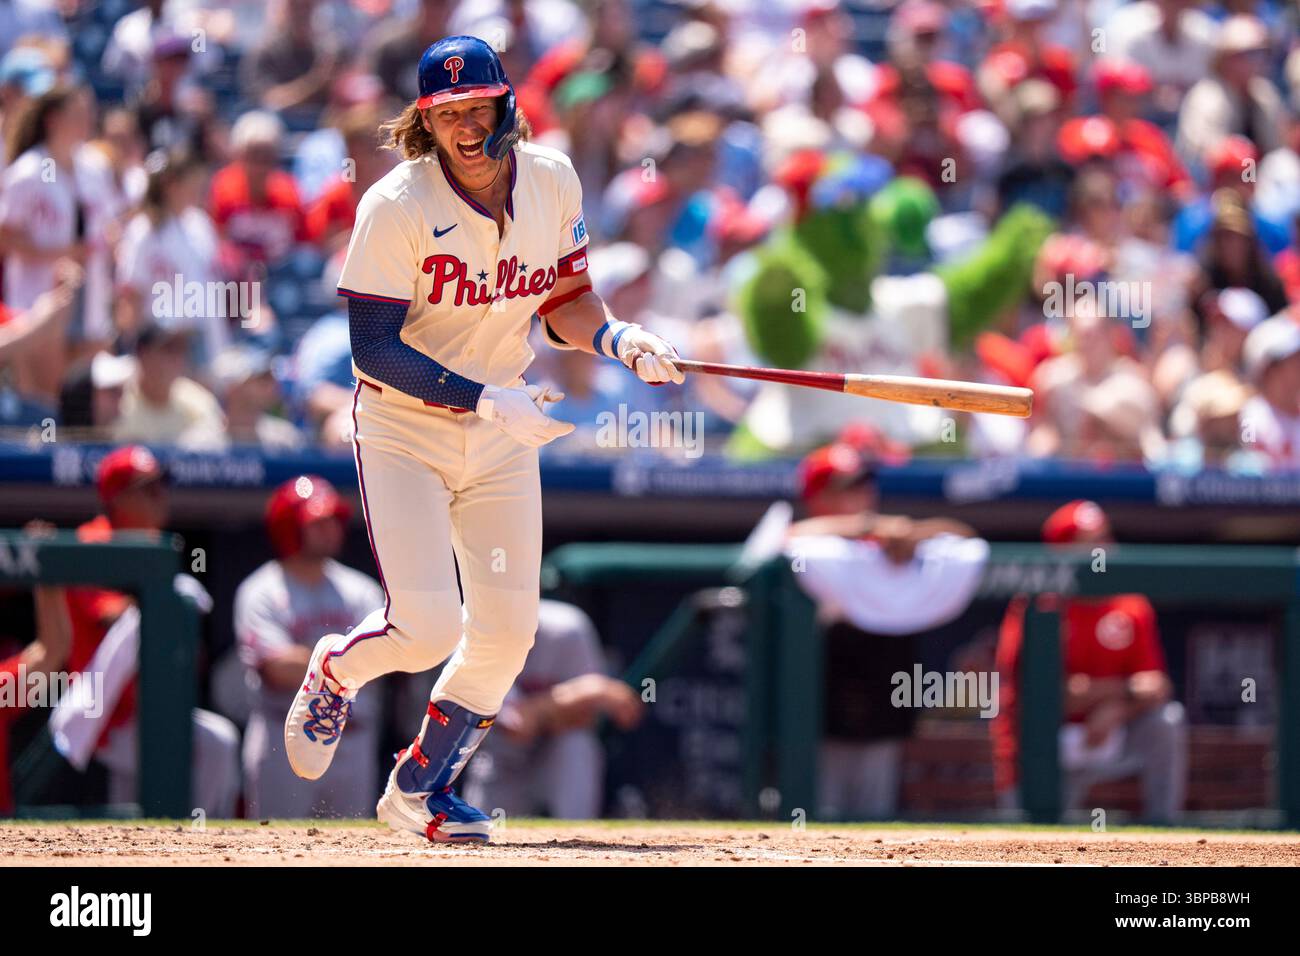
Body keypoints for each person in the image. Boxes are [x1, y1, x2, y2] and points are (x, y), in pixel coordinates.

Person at [282, 35, 683, 844]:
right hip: (406, 427)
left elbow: (567, 297)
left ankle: (419, 789)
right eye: (446, 114)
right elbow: (374, 348)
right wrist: (480, 398)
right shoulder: (395, 204)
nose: (466, 128)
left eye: (477, 109)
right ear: (425, 123)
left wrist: (619, 340)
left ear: (506, 105)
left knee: (507, 631)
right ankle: (335, 669)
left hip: (503, 428)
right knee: (426, 627)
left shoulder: (552, 178)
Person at [62, 446, 240, 816]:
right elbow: (113, 618)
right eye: (149, 488)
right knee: (130, 807)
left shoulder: (155, 545)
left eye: (162, 486)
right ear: (118, 498)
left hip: (150, 706)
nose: (162, 497)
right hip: (105, 713)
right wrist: (169, 605)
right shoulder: (93, 541)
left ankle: (195, 841)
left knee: (218, 743)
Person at [993, 500, 1187, 824]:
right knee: (1032, 839)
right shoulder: (1037, 605)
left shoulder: (1130, 604)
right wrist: (1125, 689)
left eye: (1106, 538)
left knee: (1166, 720)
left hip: (1110, 736)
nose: (1105, 549)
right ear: (1061, 551)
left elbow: (1157, 685)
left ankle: (1164, 823)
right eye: (1091, 542)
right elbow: (1048, 697)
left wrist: (1118, 709)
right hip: (1046, 745)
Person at [234, 476, 385, 818]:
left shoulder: (361, 590)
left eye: (334, 520)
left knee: (351, 851)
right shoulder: (260, 591)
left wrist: (313, 660)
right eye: (318, 522)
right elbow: (277, 669)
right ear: (290, 528)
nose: (331, 529)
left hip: (353, 738)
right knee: (275, 844)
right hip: (281, 739)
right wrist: (347, 662)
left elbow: (382, 661)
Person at [461, 600, 642, 819]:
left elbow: (611, 713)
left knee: (577, 744)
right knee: (485, 835)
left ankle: (579, 836)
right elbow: (519, 725)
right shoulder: (473, 634)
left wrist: (547, 710)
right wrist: (589, 691)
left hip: (554, 753)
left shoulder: (567, 627)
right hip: (501, 758)